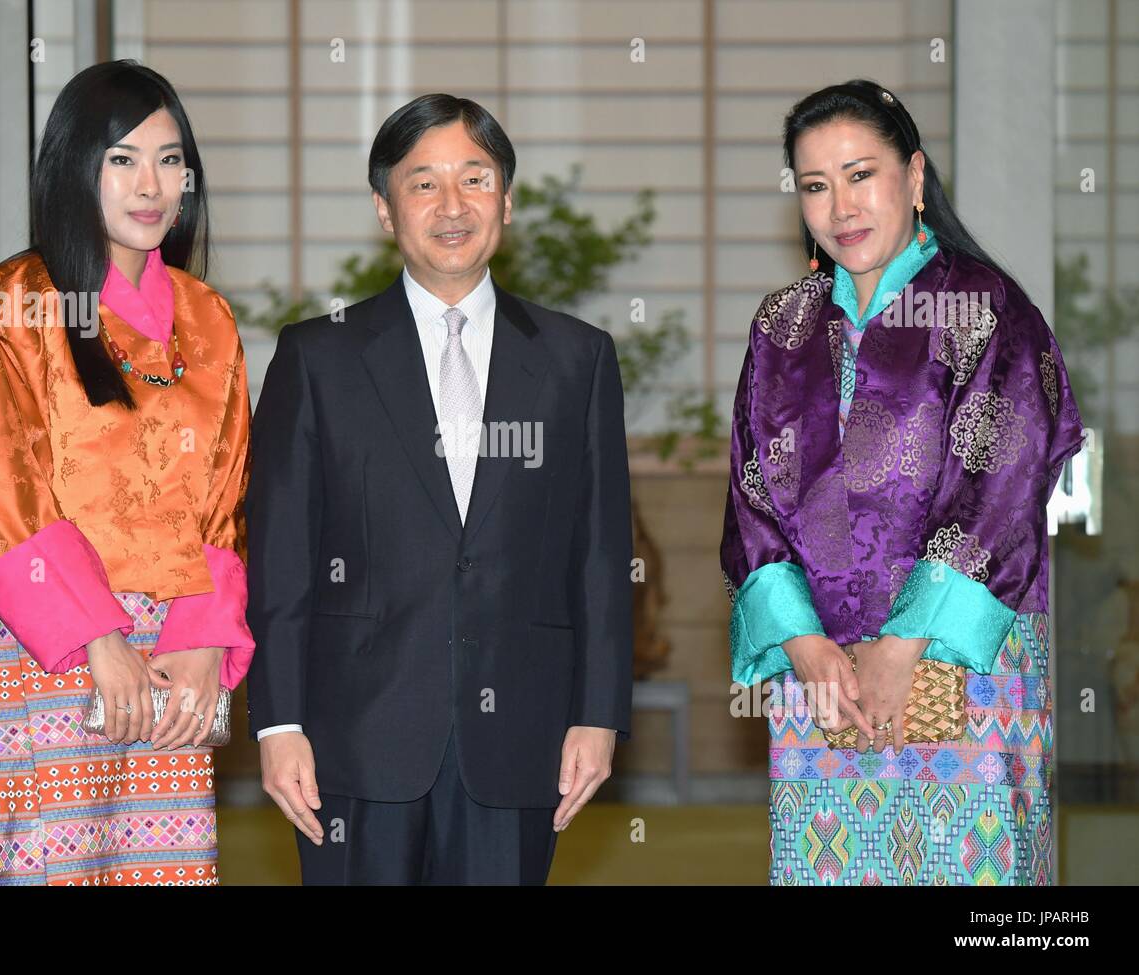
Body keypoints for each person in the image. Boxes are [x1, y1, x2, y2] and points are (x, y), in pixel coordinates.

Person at [245, 93, 634, 885]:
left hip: (520, 737)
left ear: (507, 201)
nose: (452, 205)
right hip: (352, 740)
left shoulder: (577, 359)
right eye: (423, 183)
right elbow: (280, 558)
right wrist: (277, 721)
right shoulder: (319, 358)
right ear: (385, 209)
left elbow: (600, 555)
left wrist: (598, 712)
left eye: (475, 179)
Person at [721, 79, 1088, 885]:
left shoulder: (984, 308)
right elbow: (752, 496)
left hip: (965, 662)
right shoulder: (782, 325)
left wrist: (904, 641)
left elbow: (1000, 487)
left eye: (861, 175)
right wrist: (804, 643)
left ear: (914, 176)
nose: (841, 206)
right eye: (816, 186)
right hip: (822, 677)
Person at [0, 60, 254, 885]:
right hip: (50, 642)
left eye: (169, 159)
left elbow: (223, 503)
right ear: (75, 167)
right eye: (122, 159)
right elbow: (3, 497)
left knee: (164, 869)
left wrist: (203, 645)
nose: (150, 184)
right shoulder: (14, 302)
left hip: (172, 655)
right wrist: (98, 635)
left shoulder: (208, 317)